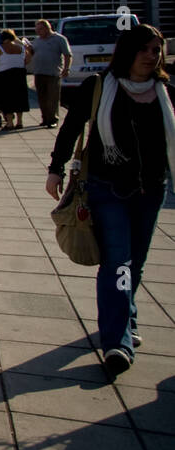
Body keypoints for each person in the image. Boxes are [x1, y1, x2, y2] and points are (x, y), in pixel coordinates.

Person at [46, 25, 175, 376]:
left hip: (152, 190)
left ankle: (127, 319)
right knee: (118, 260)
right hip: (107, 188)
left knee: (137, 262)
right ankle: (117, 342)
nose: (152, 55)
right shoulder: (100, 87)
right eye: (146, 49)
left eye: (157, 49)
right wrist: (56, 169)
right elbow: (70, 128)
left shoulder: (165, 91)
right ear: (129, 52)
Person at [27, 18, 73, 128]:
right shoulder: (37, 40)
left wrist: (66, 68)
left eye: (40, 29)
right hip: (39, 72)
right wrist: (29, 50)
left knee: (52, 97)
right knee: (42, 98)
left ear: (48, 28)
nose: (38, 32)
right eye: (36, 30)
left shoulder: (59, 39)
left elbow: (67, 55)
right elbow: (33, 53)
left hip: (53, 73)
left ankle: (53, 119)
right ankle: (45, 118)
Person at [0, 28, 28, 128]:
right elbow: (28, 59)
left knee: (7, 98)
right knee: (20, 98)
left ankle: (10, 123)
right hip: (19, 74)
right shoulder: (21, 48)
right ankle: (20, 122)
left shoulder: (0, 48)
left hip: (5, 75)